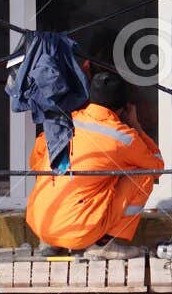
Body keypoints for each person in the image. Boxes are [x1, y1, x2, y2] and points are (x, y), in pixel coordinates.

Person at [26, 69, 163, 258]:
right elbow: (157, 168)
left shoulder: (65, 121)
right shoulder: (122, 137)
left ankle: (50, 242)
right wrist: (136, 125)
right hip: (79, 232)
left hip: (40, 223)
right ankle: (105, 244)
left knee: (51, 165)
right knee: (143, 175)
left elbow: (35, 161)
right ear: (123, 108)